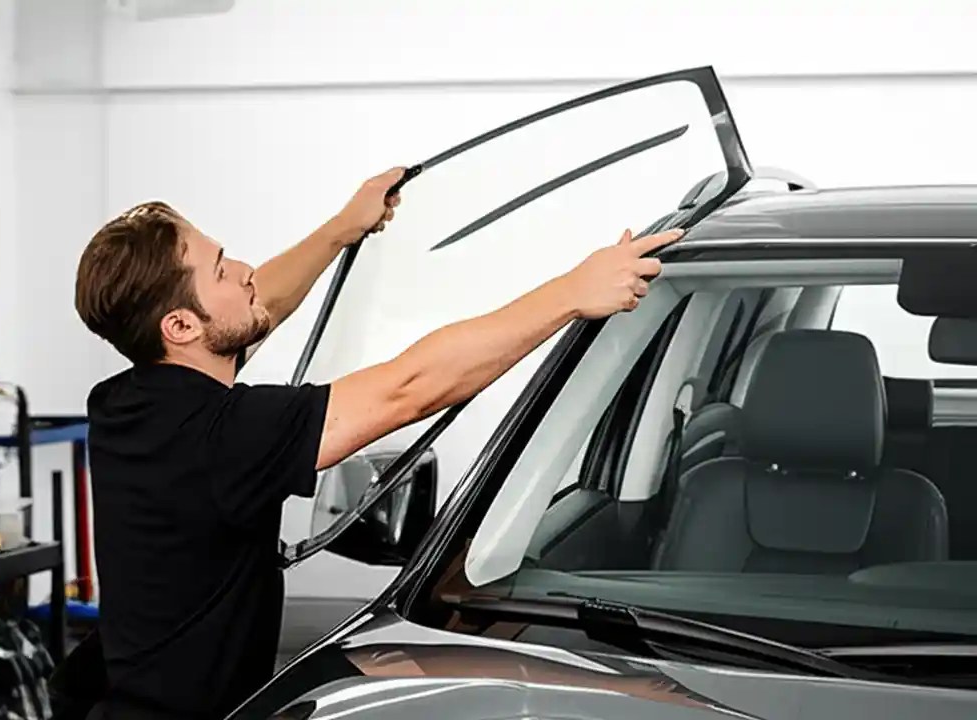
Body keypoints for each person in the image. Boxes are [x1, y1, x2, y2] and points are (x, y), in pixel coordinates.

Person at [69, 166, 682, 719]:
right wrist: (571, 293)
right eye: (221, 267)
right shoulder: (220, 436)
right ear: (179, 327)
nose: (245, 270)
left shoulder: (128, 399)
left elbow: (257, 306)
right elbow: (410, 387)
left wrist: (342, 228)